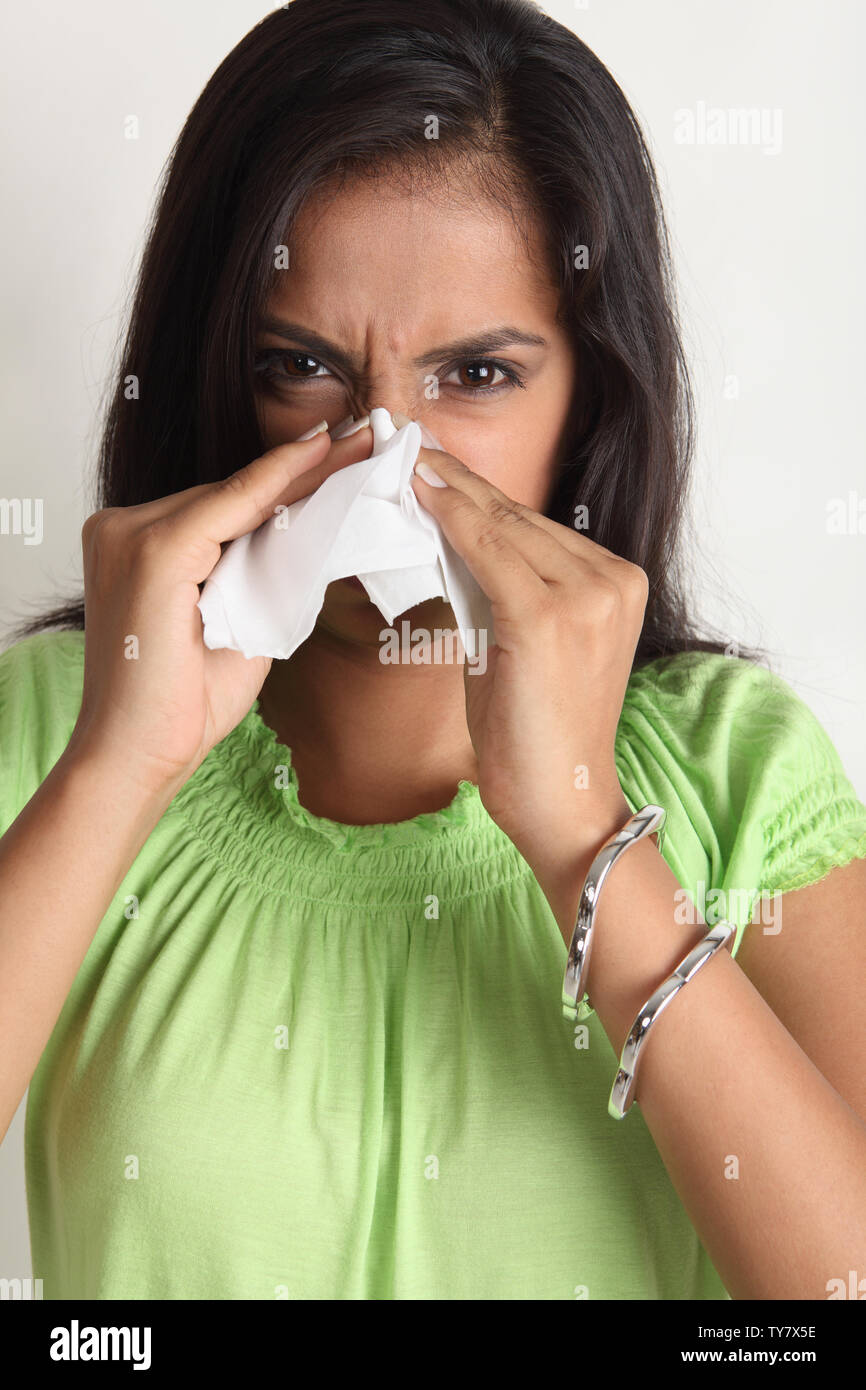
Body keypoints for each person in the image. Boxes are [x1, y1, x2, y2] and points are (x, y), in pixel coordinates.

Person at [1, 0, 865, 1301]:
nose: (385, 465)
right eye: (301, 366)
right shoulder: (51, 725)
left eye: (474, 376)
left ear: (591, 393)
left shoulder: (733, 771)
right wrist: (123, 766)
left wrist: (581, 826)